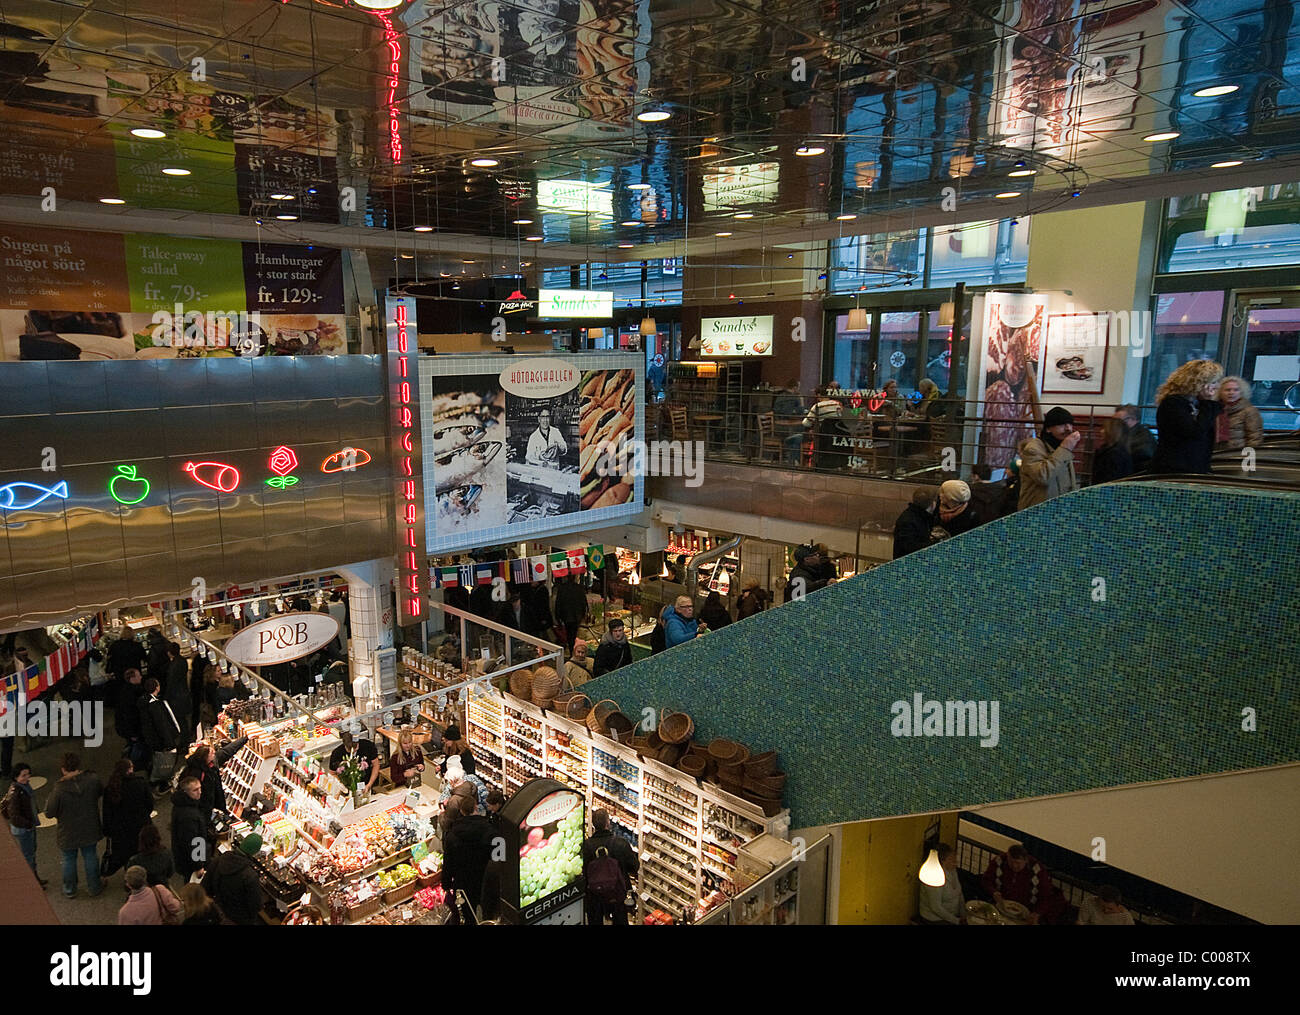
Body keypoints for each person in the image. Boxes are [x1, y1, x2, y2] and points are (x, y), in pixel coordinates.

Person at [43, 752, 104, 898]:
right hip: (90, 826)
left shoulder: (58, 790)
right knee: (90, 855)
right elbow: (100, 792)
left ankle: (70, 889)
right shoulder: (93, 780)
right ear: (78, 765)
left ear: (63, 769)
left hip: (68, 831)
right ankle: (94, 887)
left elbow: (49, 813)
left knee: (68, 859)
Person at [1148, 359, 1224, 474]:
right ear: (1198, 383)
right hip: (1174, 469)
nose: (1216, 387)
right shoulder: (1173, 403)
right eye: (1213, 382)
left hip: (1193, 467)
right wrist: (1208, 403)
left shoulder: (1195, 404)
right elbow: (1195, 432)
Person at [981, 845, 1064, 925]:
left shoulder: (1037, 870)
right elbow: (986, 880)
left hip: (1026, 914)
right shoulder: (999, 861)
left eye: (1018, 863)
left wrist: (1037, 913)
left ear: (1026, 860)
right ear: (1007, 856)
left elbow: (1046, 896)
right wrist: (993, 892)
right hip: (1000, 908)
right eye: (1011, 862)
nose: (1014, 866)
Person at [443, 794, 495, 922]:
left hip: (463, 882)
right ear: (475, 808)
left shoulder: (452, 835)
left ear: (461, 811)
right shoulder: (490, 830)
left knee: (467, 913)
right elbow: (500, 855)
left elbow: (448, 862)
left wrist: (446, 883)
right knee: (488, 910)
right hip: (485, 879)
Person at [1017, 407, 1082, 509]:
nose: (1068, 428)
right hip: (1036, 512)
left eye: (1070, 424)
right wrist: (1064, 448)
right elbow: (1043, 477)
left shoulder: (1061, 448)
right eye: (1062, 424)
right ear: (1048, 428)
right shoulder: (1033, 448)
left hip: (1059, 511)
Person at [582, 809, 638, 926]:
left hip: (594, 894)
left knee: (595, 921)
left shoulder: (585, 846)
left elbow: (583, 872)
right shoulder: (620, 843)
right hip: (617, 893)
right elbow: (634, 867)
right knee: (620, 921)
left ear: (593, 825)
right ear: (608, 823)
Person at [102, 758, 151, 878]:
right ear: (130, 769)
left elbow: (107, 812)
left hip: (120, 830)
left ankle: (130, 878)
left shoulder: (111, 788)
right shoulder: (140, 783)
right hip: (140, 825)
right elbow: (149, 804)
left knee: (126, 856)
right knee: (142, 852)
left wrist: (108, 831)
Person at [202, 833, 265, 925]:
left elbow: (205, 886)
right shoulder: (250, 876)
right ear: (255, 853)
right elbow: (256, 905)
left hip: (217, 912)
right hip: (239, 920)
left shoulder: (219, 860)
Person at [180, 737, 247, 817]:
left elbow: (227, 751)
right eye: (212, 753)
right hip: (205, 809)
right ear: (206, 757)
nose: (214, 753)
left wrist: (245, 739)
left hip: (215, 804)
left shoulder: (211, 763)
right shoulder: (196, 773)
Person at [2, 762, 44, 885]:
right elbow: (14, 816)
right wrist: (29, 824)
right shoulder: (17, 792)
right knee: (28, 856)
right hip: (24, 829)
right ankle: (34, 882)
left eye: (28, 774)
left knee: (31, 853)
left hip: (26, 826)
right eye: (23, 775)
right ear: (16, 777)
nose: (27, 777)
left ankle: (35, 879)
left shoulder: (24, 787)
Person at [138, 676, 182, 793]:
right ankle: (160, 784)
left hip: (151, 740)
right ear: (157, 688)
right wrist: (170, 743)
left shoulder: (144, 702)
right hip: (161, 741)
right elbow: (162, 726)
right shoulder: (156, 705)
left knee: (156, 761)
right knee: (165, 762)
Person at [171, 775, 214, 882]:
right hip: (190, 861)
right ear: (186, 792)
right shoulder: (189, 816)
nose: (200, 792)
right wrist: (198, 866)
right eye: (195, 790)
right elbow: (193, 841)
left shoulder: (182, 804)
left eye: (200, 788)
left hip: (184, 856)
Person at [918, 844, 965, 925]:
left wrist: (964, 914)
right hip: (935, 919)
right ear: (942, 861)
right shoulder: (933, 876)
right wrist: (956, 921)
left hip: (952, 915)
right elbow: (936, 908)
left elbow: (959, 893)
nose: (956, 863)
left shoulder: (952, 870)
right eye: (952, 860)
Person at [1215, 375, 1264, 452]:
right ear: (1220, 392)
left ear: (1241, 392)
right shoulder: (1214, 409)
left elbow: (1255, 437)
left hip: (1237, 454)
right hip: (1215, 452)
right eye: (1227, 390)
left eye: (1236, 390)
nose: (1231, 393)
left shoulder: (1249, 411)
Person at [329, 728, 380, 794]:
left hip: (367, 783)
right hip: (347, 789)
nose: (353, 752)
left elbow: (376, 764)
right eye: (349, 750)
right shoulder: (337, 753)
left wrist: (369, 784)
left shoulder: (368, 745)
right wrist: (342, 785)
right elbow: (332, 773)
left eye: (355, 749)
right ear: (344, 745)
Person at [115, 667, 147, 769]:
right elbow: (129, 716)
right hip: (133, 730)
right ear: (132, 678)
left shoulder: (125, 691)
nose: (141, 677)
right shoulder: (131, 695)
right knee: (137, 748)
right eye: (138, 675)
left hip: (128, 729)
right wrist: (133, 733)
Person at [893, 489, 938, 559]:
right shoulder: (909, 521)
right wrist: (934, 544)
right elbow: (910, 546)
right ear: (932, 504)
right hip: (908, 562)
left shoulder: (920, 515)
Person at [128, 822, 175, 887]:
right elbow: (170, 873)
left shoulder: (134, 861)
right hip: (163, 887)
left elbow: (130, 880)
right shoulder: (167, 854)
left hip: (143, 890)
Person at [164, 641, 192, 748]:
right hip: (184, 694)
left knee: (180, 721)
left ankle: (184, 743)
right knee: (183, 721)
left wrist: (166, 697)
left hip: (177, 697)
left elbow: (171, 683)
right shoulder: (182, 661)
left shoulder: (173, 666)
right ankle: (185, 740)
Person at [1091, 416, 1133, 484]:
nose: (1101, 431)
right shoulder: (1115, 450)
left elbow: (1109, 479)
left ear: (1113, 432)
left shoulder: (1115, 454)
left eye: (1105, 429)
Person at [1115, 404, 1156, 472]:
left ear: (1134, 419)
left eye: (1119, 421)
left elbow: (1141, 456)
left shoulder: (1143, 436)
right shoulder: (1130, 433)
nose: (1115, 424)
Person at [553, 576, 588, 653]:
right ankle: (573, 649)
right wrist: (584, 613)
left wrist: (558, 617)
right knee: (574, 633)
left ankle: (572, 649)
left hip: (567, 616)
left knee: (569, 635)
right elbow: (583, 601)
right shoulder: (579, 587)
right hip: (576, 615)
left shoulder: (562, 588)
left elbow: (558, 604)